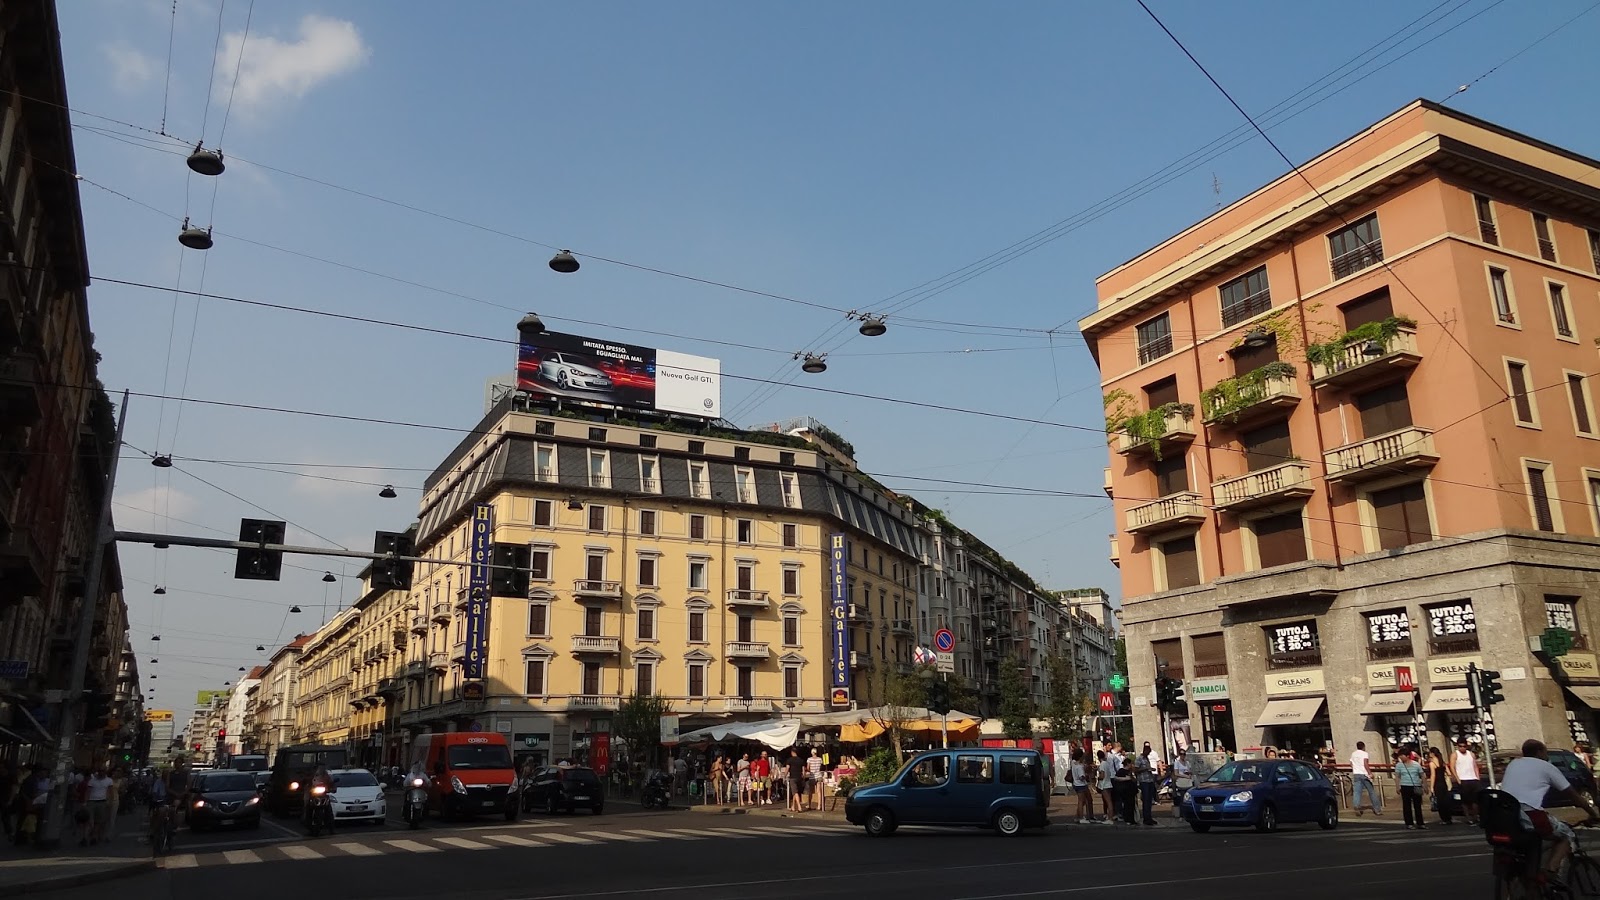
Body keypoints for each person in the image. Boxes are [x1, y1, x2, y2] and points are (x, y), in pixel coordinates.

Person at [1502, 739, 1600, 884]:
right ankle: (1550, 871)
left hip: (1506, 815)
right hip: (1530, 814)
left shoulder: (1514, 763)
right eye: (1545, 751)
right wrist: (1593, 814)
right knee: (1566, 835)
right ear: (1540, 752)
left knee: (1528, 851)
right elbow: (1575, 797)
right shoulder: (1546, 767)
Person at [1453, 739, 1484, 825]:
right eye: (1460, 746)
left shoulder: (1471, 754)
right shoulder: (1455, 754)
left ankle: (1475, 816)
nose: (1462, 748)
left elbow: (1475, 766)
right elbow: (1452, 767)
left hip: (1473, 779)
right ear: (1458, 746)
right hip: (1463, 779)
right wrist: (1457, 779)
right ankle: (1468, 818)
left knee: (1475, 800)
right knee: (1465, 801)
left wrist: (1477, 777)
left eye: (1464, 746)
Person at [83, 764, 114, 846]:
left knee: (98, 821)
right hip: (91, 802)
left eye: (103, 771)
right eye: (99, 771)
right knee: (89, 820)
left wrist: (109, 802)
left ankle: (94, 837)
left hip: (102, 802)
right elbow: (88, 791)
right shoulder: (92, 781)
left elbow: (110, 792)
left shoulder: (109, 781)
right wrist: (85, 802)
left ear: (105, 772)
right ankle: (85, 838)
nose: (101, 772)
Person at [1395, 749, 1426, 830]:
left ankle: (1420, 823)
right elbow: (1397, 776)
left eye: (1402, 756)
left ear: (1407, 756)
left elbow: (1422, 775)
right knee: (1407, 806)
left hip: (1416, 786)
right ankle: (1409, 823)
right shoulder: (1399, 765)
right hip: (1405, 786)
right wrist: (1397, 786)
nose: (1401, 757)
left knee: (1417, 806)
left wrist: (1425, 786)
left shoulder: (1416, 764)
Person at [1349, 741, 1381, 817]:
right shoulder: (1364, 754)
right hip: (1364, 774)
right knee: (1371, 791)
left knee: (1357, 792)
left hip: (1356, 774)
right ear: (1363, 746)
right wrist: (1370, 773)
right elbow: (1365, 764)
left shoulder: (1353, 754)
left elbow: (1351, 763)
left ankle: (1356, 806)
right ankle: (1377, 809)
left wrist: (1355, 769)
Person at [1425, 747, 1455, 825]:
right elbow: (1449, 773)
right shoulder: (1442, 762)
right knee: (1446, 801)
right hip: (1443, 783)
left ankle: (1444, 818)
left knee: (1440, 802)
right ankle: (1448, 818)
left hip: (1437, 784)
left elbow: (1433, 775)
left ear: (1432, 753)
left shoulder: (1432, 763)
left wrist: (1431, 787)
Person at [1134, 745, 1157, 826]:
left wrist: (1150, 769)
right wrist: (1145, 769)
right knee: (1146, 799)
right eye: (1147, 752)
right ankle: (1146, 818)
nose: (1148, 754)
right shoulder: (1139, 759)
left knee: (1149, 800)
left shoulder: (1146, 758)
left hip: (1149, 780)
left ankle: (1149, 817)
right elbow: (1135, 770)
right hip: (1144, 781)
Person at [1111, 757, 1137, 826]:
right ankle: (1127, 819)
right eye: (1131, 763)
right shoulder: (1121, 771)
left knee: (1132, 805)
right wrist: (1125, 779)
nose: (1132, 765)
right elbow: (1116, 778)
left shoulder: (1131, 771)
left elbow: (1134, 779)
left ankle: (1132, 819)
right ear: (1128, 764)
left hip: (1132, 790)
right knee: (1127, 805)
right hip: (1125, 790)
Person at [1069, 749, 1091, 824]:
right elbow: (1082, 776)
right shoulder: (1079, 767)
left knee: (1081, 801)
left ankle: (1078, 816)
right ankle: (1081, 817)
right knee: (1082, 801)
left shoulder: (1073, 763)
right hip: (1081, 784)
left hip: (1076, 784)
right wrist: (1086, 776)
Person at [1170, 747, 1193, 820]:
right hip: (1181, 781)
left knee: (1188, 798)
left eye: (1184, 754)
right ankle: (1181, 815)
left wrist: (1189, 773)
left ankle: (1188, 814)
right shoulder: (1177, 763)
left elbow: (1190, 771)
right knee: (1182, 799)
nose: (1183, 755)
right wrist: (1184, 775)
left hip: (1188, 781)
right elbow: (1176, 773)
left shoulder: (1187, 763)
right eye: (1181, 754)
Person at [1095, 750, 1115, 824]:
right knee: (1109, 801)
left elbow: (1102, 776)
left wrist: (1098, 777)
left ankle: (1110, 818)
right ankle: (1110, 817)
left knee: (1108, 802)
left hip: (1104, 785)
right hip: (1108, 783)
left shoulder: (1102, 764)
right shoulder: (1106, 763)